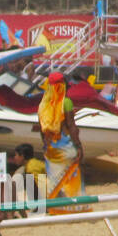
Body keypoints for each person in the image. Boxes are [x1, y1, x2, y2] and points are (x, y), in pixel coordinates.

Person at [34, 71, 83, 199]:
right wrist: (78, 146)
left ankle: (55, 209)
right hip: (66, 146)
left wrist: (46, 146)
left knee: (54, 180)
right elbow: (71, 126)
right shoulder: (66, 102)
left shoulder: (42, 105)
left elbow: (41, 130)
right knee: (69, 179)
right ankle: (70, 209)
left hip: (50, 148)